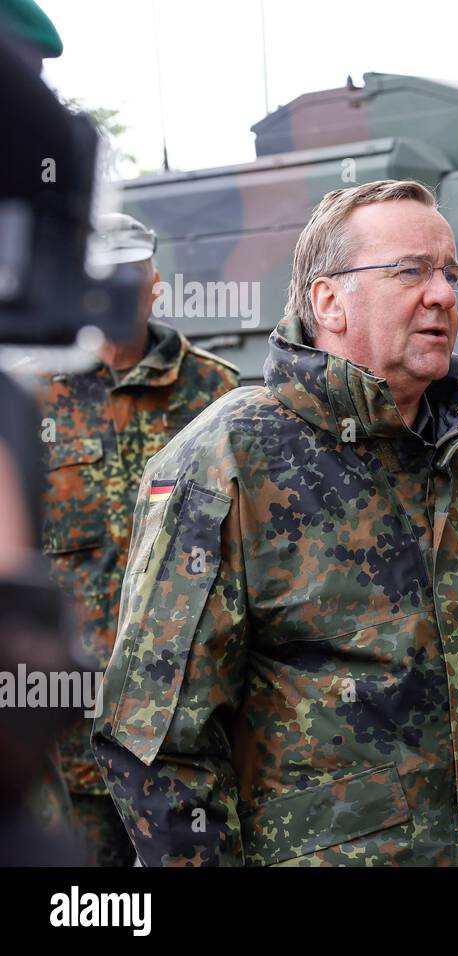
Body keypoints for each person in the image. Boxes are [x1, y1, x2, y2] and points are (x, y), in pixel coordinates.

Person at [92, 179, 458, 866]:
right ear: (328, 300)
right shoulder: (229, 458)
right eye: (410, 271)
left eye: (450, 275)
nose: (441, 295)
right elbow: (156, 742)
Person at [36, 214, 241, 866]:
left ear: (156, 281)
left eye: (133, 274)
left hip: (192, 733)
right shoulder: (29, 398)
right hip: (75, 740)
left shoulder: (219, 394)